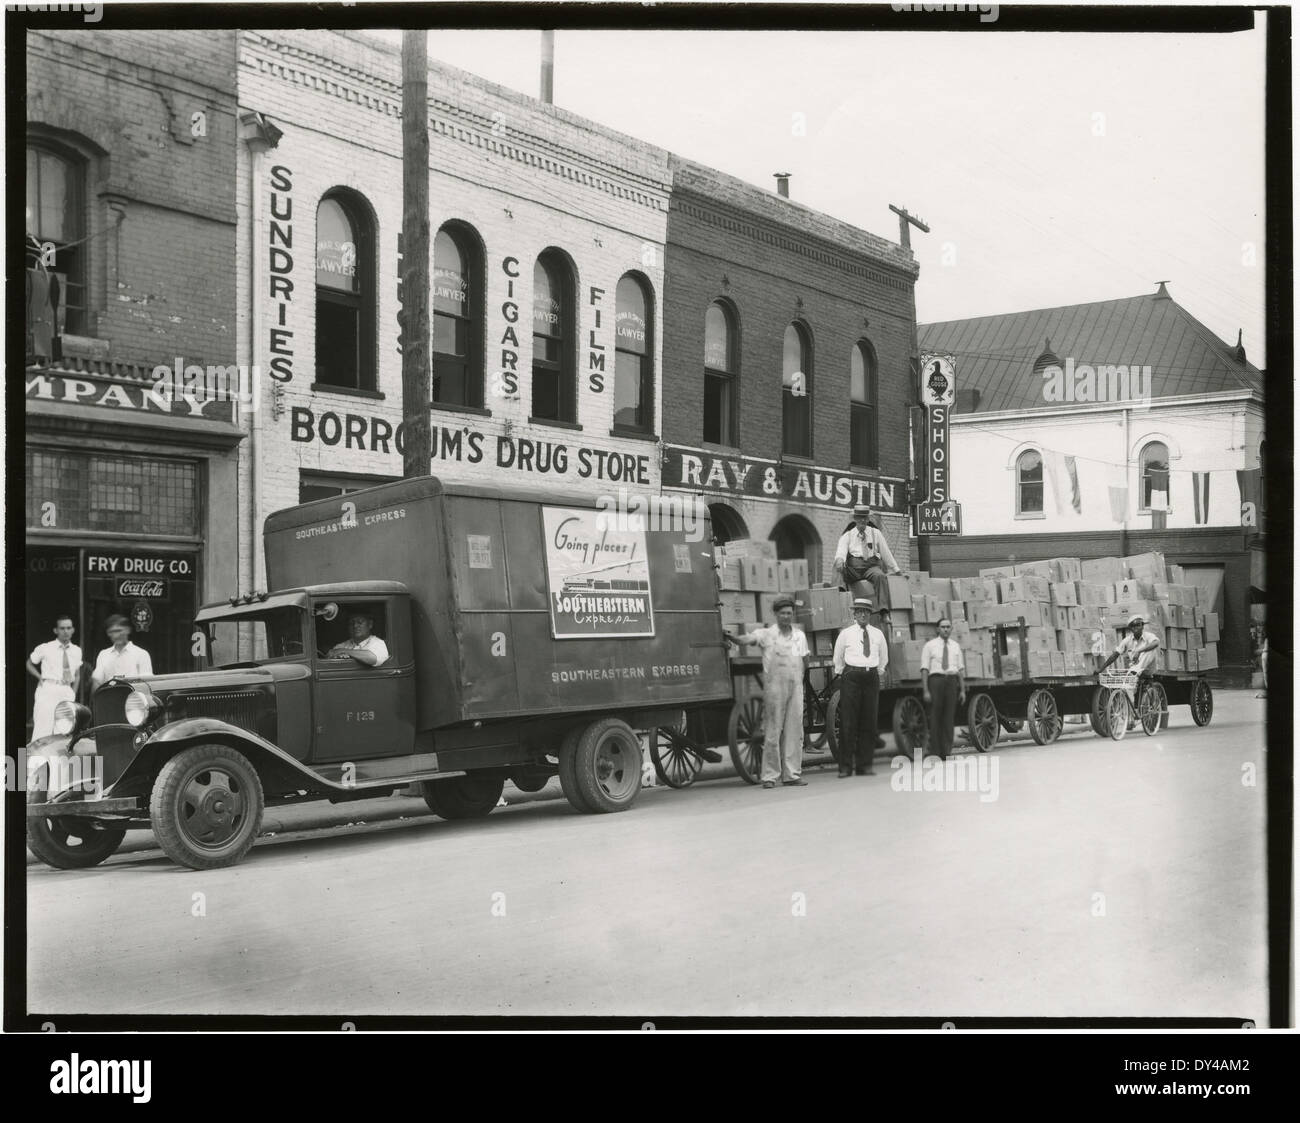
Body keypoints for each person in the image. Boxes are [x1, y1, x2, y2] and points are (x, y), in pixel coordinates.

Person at [725, 596, 810, 789]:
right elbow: (747, 639)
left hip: (796, 685)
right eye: (782, 613)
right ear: (776, 614)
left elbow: (805, 659)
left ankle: (792, 774)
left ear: (792, 614)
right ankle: (770, 776)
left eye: (789, 613)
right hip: (775, 688)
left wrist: (800, 680)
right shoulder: (767, 634)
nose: (786, 616)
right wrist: (733, 637)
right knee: (773, 731)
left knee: (795, 731)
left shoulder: (799, 636)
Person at [832, 597, 889, 778]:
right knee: (848, 722)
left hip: (870, 676)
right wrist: (843, 671)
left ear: (870, 614)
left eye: (866, 611)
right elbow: (838, 656)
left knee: (869, 722)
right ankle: (845, 767)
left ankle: (864, 765)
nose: (863, 614)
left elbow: (883, 656)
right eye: (859, 611)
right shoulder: (846, 633)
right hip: (851, 676)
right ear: (854, 614)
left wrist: (878, 671)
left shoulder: (878, 634)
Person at [833, 504, 904, 618]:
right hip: (853, 569)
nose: (862, 520)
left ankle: (884, 611)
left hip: (871, 567)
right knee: (837, 567)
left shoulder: (876, 533)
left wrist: (897, 571)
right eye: (860, 517)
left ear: (868, 519)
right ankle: (840, 597)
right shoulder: (848, 535)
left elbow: (886, 554)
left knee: (880, 576)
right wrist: (840, 560)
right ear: (855, 519)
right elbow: (840, 552)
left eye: (865, 517)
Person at [27, 614, 82, 740]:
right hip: (48, 689)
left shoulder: (77, 650)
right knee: (43, 729)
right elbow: (29, 663)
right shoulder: (46, 647)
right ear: (55, 630)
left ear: (73, 630)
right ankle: (38, 759)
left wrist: (72, 692)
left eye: (68, 628)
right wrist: (39, 677)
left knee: (64, 729)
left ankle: (59, 760)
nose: (66, 631)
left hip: (66, 690)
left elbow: (77, 675)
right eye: (62, 628)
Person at [920, 617, 965, 761]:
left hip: (951, 682)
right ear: (937, 629)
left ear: (951, 629)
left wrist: (963, 690)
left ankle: (946, 751)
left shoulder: (956, 646)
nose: (946, 629)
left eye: (948, 627)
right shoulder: (930, 646)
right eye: (943, 627)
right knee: (935, 716)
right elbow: (924, 669)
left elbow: (960, 670)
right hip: (936, 681)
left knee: (948, 717)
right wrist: (926, 690)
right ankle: (935, 751)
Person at [91, 615, 154, 688]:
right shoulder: (104, 654)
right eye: (112, 632)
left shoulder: (141, 654)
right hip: (109, 696)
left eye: (119, 630)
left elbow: (146, 683)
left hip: (133, 697)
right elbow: (97, 682)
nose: (116, 635)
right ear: (108, 633)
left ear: (128, 630)